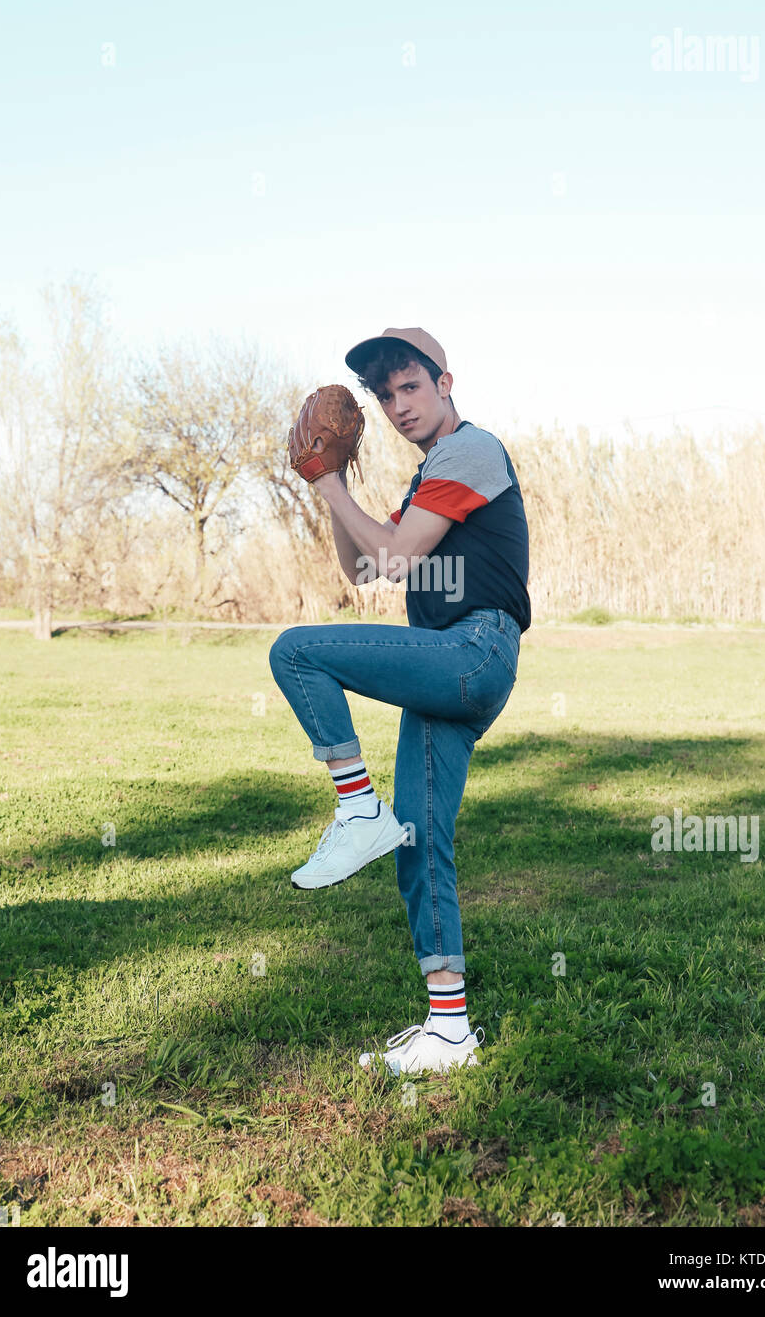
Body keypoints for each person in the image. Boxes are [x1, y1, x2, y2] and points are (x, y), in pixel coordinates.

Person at [268, 327, 531, 1076]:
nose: (397, 405)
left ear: (446, 384)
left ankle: (355, 807)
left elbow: (393, 556)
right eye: (385, 395)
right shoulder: (427, 479)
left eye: (409, 386)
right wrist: (334, 483)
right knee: (418, 841)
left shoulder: (471, 450)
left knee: (297, 650)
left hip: (472, 652)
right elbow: (362, 565)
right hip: (446, 665)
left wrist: (325, 483)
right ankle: (449, 1031)